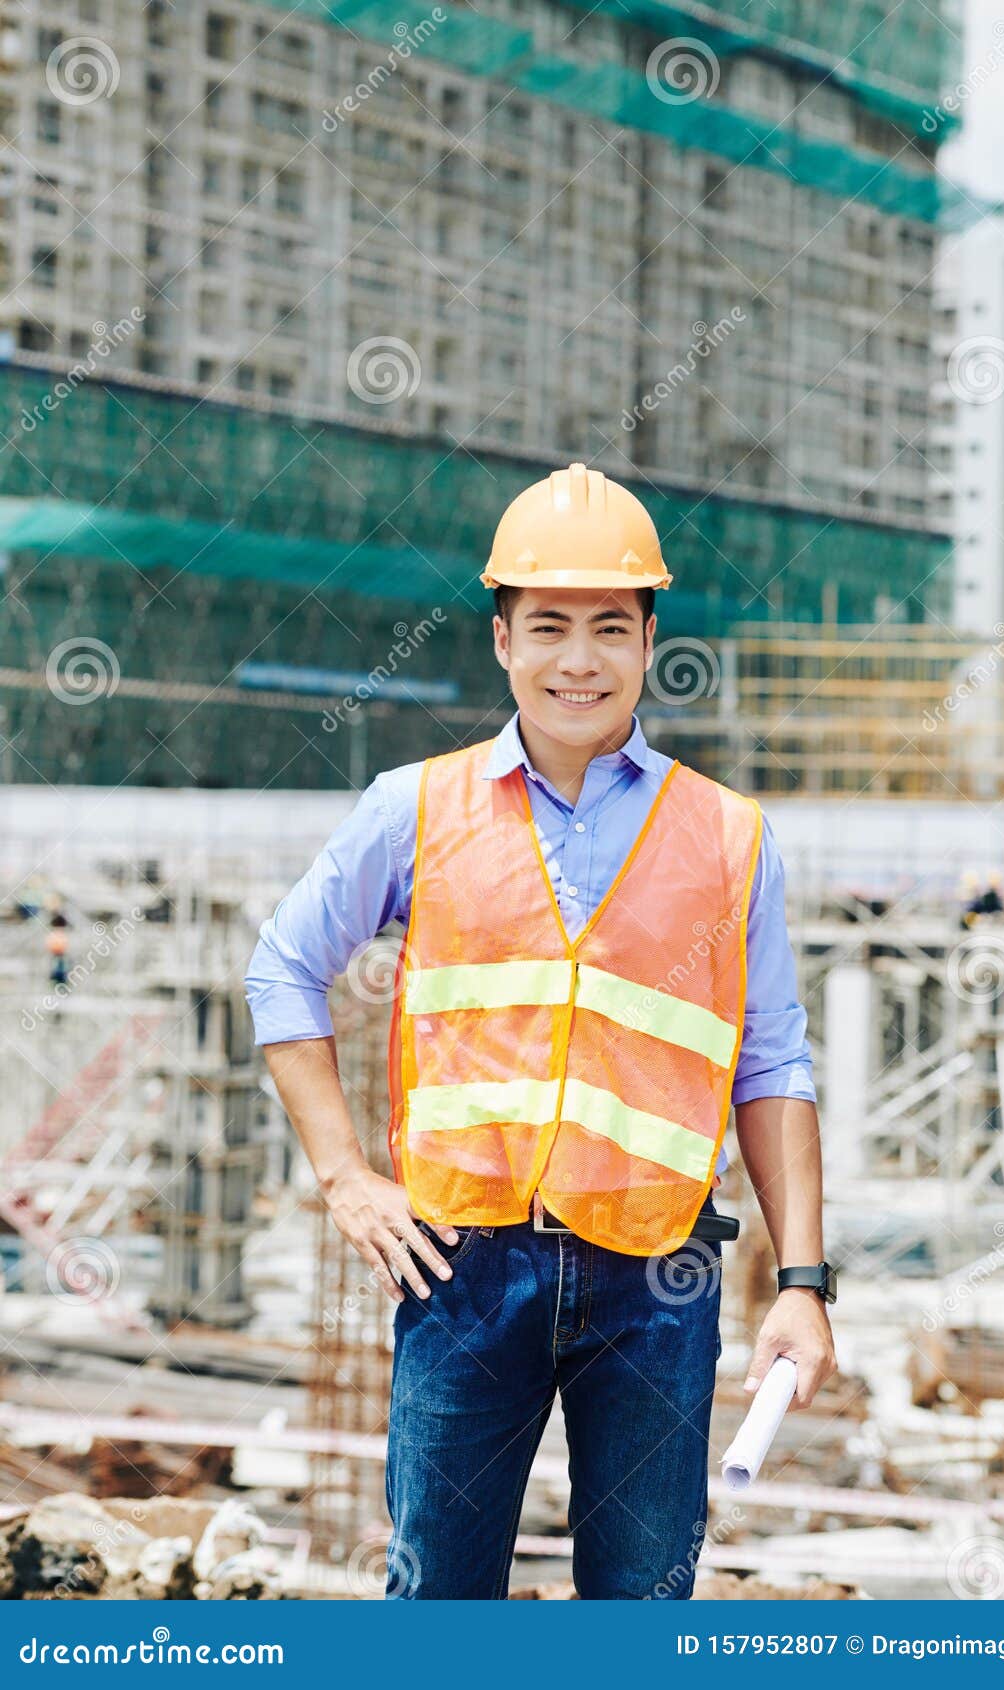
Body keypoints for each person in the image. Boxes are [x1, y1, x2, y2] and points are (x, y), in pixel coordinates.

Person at [244, 462, 836, 1601]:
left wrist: (802, 1280)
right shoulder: (414, 807)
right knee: (437, 1613)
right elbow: (282, 968)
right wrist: (343, 1178)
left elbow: (771, 1061)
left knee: (637, 1610)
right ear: (502, 640)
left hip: (657, 1275)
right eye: (549, 626)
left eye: (609, 627)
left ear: (648, 639)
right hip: (461, 1266)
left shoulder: (728, 835)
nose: (580, 659)